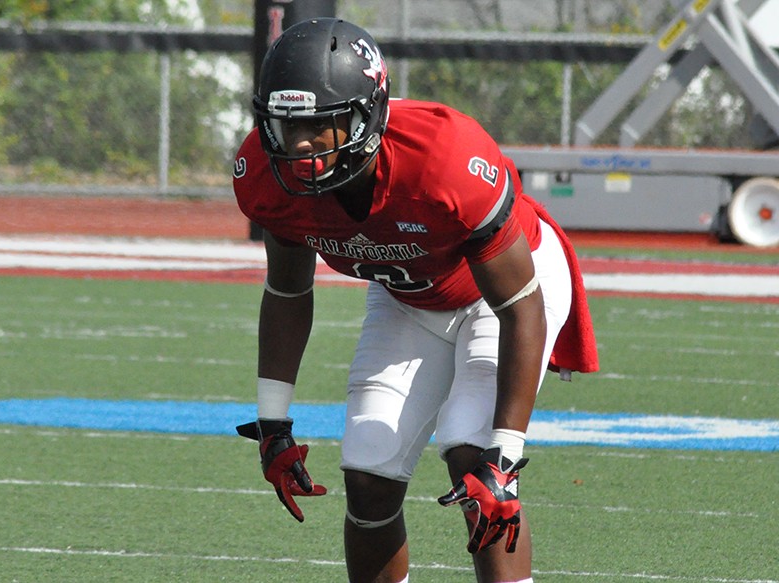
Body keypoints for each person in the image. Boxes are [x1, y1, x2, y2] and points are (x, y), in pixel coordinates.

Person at [232, 17, 598, 583]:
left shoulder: (444, 158)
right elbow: (286, 289)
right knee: (368, 472)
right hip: (408, 297)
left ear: (366, 117)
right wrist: (273, 421)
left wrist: (505, 452)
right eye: (286, 126)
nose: (298, 145)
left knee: (474, 459)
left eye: (321, 125)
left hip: (502, 293)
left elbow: (522, 304)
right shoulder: (266, 175)